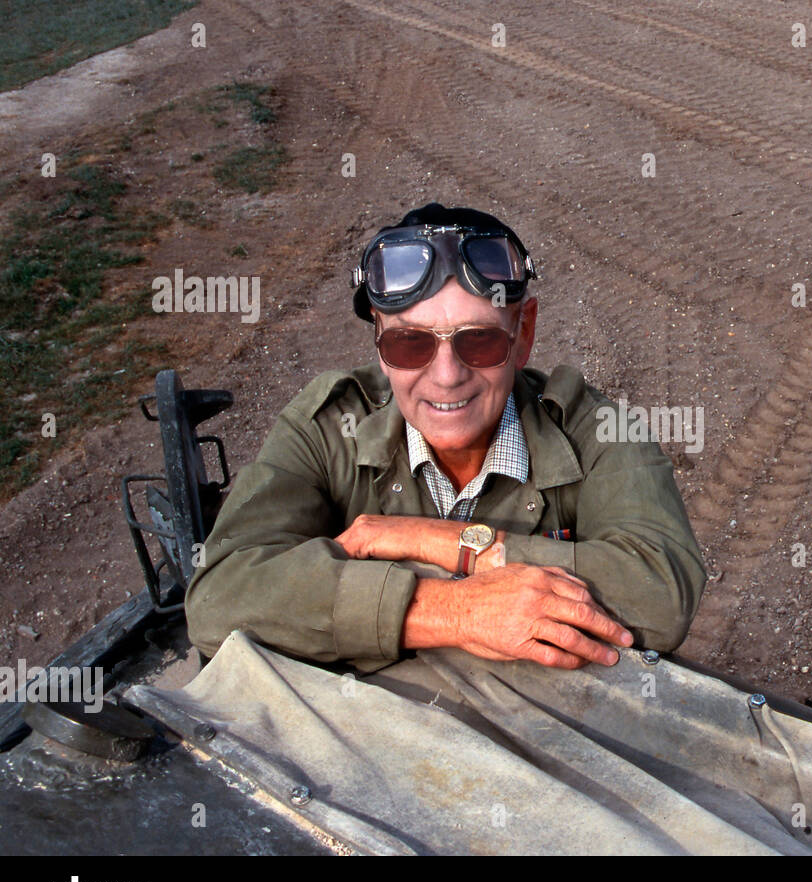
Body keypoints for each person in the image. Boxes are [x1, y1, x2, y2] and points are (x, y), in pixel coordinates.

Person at [185, 202, 706, 674]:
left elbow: (662, 596)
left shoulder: (594, 430)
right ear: (377, 338)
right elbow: (218, 598)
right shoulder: (328, 426)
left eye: (478, 340)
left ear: (523, 333)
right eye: (410, 344)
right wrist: (456, 611)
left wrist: (429, 541)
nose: (446, 375)